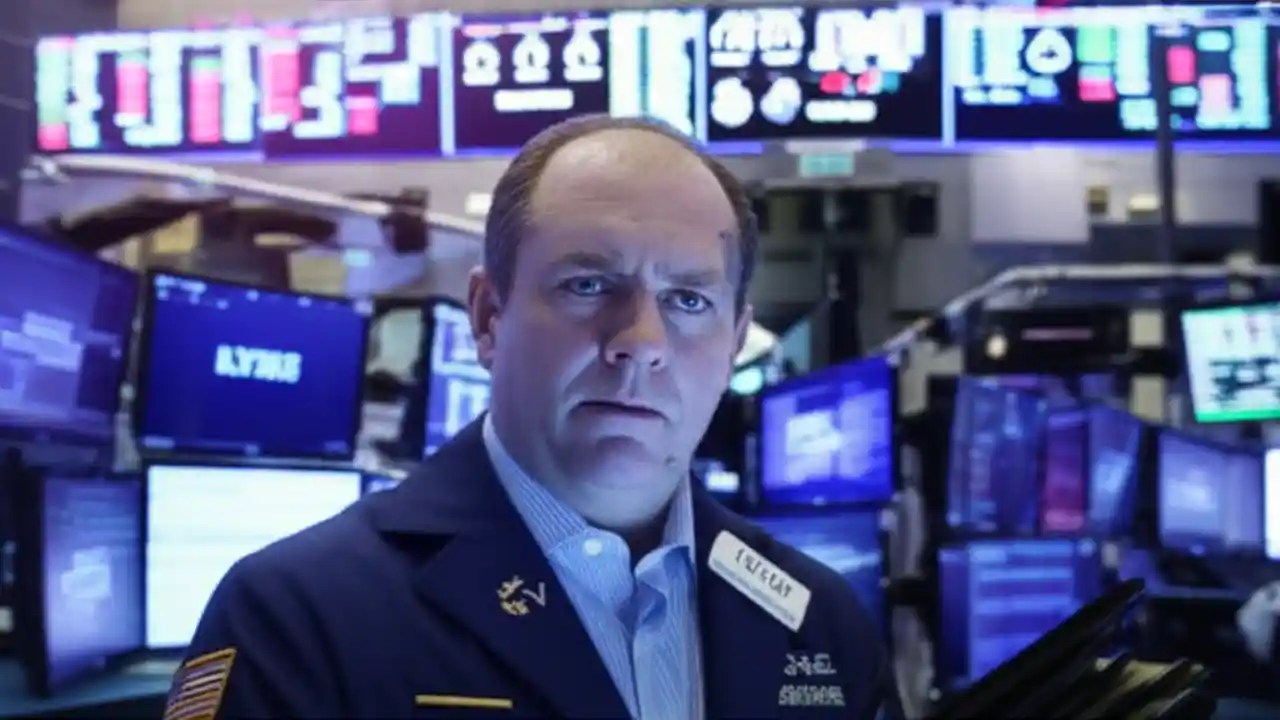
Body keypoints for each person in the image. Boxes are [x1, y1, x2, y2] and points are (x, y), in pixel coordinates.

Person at [165, 115, 902, 720]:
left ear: (734, 343)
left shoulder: (819, 621)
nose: (641, 343)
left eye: (688, 300)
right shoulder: (296, 615)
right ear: (489, 318)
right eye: (590, 284)